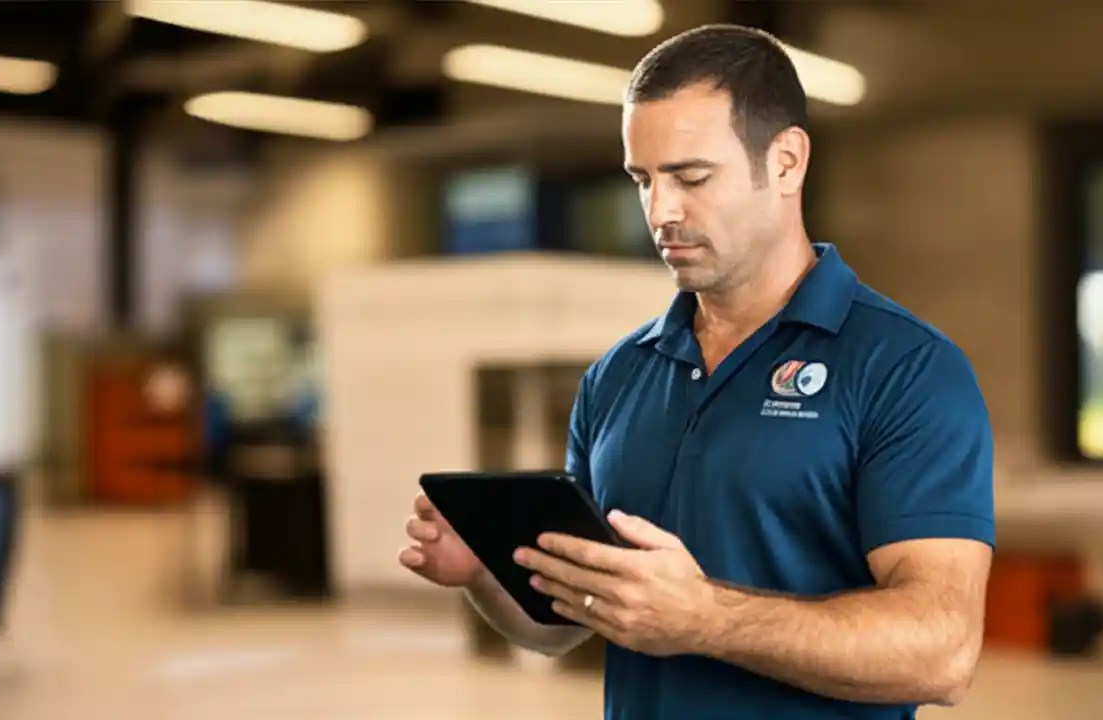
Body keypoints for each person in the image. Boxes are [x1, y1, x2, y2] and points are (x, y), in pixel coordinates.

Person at [400, 23, 994, 720]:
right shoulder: (618, 377)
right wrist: (485, 573)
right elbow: (566, 622)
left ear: (786, 162)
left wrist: (705, 618)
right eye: (642, 180)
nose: (661, 212)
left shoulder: (907, 369)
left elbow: (943, 652)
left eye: (691, 176)